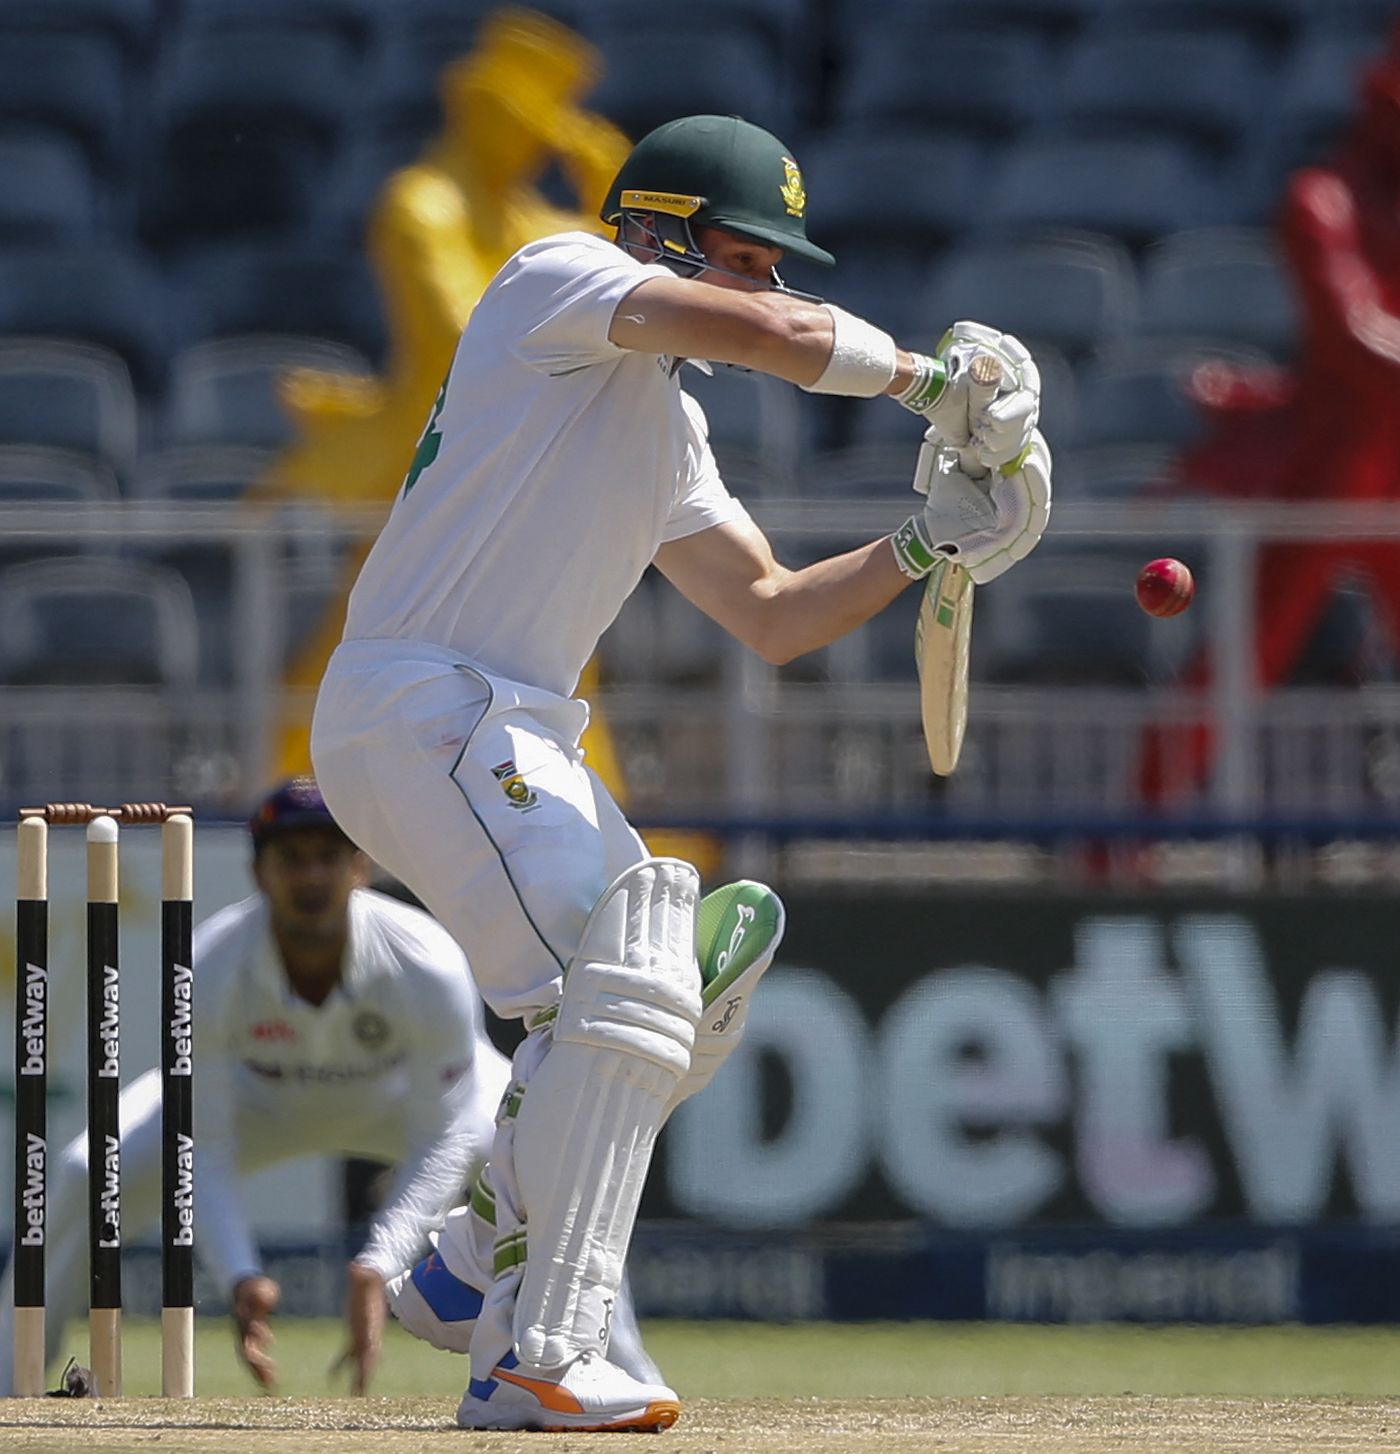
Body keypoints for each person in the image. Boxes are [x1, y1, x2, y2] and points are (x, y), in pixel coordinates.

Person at [310, 113, 1051, 1432]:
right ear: (655, 228)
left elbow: (769, 608)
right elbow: (765, 337)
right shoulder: (556, 280)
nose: (769, 284)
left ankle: (466, 1260)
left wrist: (931, 544)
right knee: (636, 955)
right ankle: (535, 1349)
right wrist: (934, 380)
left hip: (509, 727)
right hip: (429, 698)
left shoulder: (670, 431)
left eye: (779, 262)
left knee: (694, 964)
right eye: (748, 254)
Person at [0, 778, 518, 1396]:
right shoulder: (210, 964)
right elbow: (202, 1147)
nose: (311, 878)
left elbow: (444, 1137)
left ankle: (596, 1368)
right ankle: (13, 1384)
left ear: (360, 866)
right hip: (260, 1101)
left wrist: (380, 1263)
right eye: (291, 859)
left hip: (400, 1098)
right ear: (259, 870)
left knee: (551, 1161)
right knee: (87, 1171)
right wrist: (241, 1277)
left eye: (327, 857)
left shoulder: (426, 959)